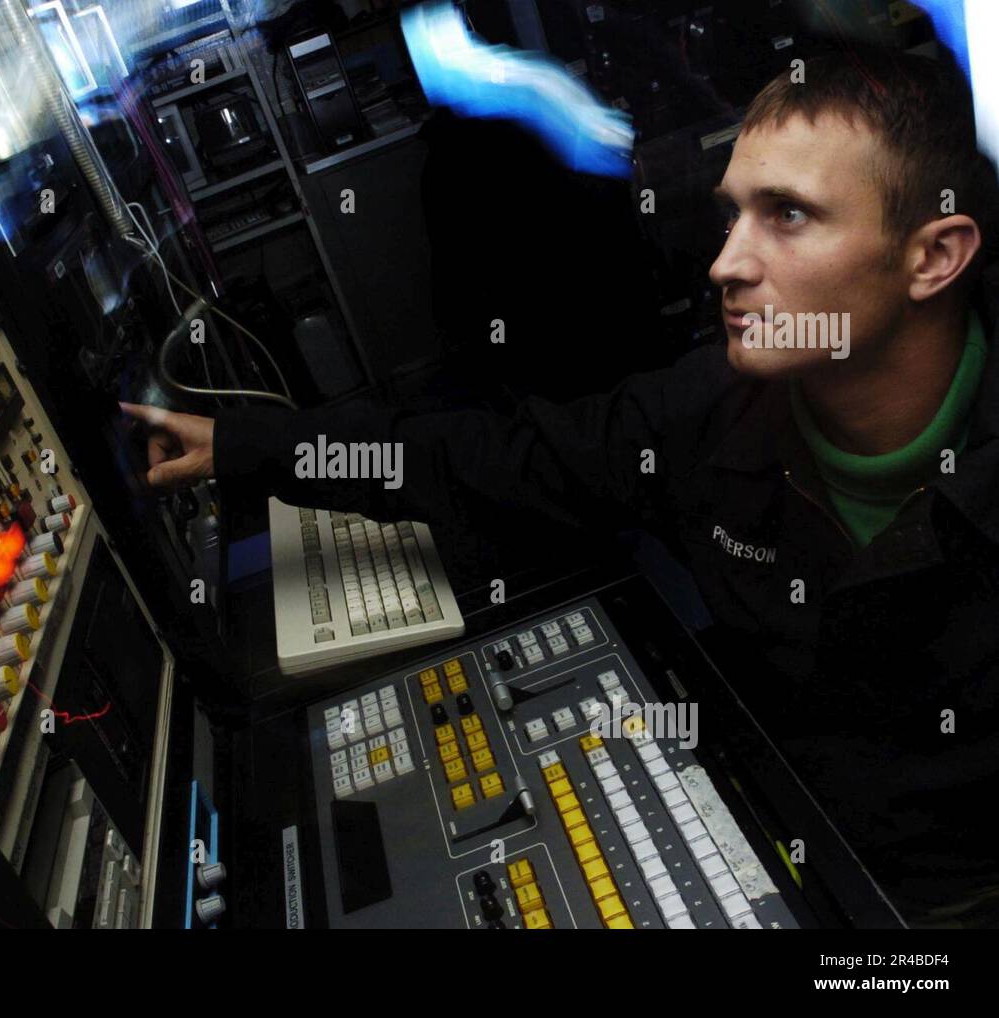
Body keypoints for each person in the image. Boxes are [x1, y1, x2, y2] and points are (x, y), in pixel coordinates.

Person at [122, 46, 999, 926]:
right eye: (733, 216)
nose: (726, 264)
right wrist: (249, 444)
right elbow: (479, 459)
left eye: (790, 217)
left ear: (934, 257)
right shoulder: (711, 410)